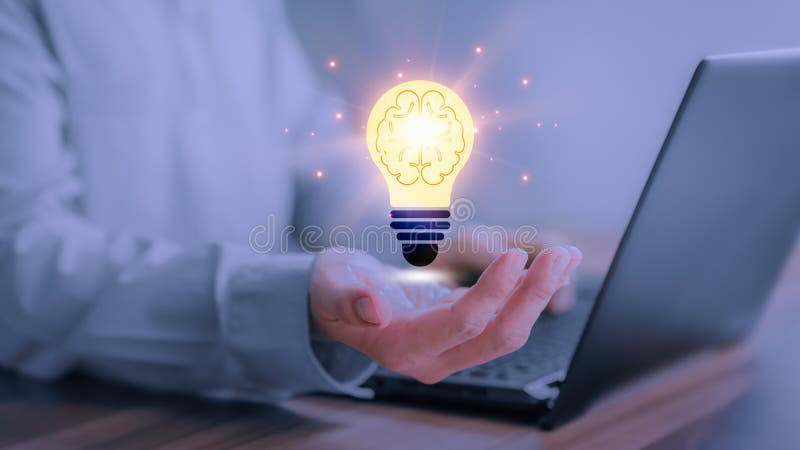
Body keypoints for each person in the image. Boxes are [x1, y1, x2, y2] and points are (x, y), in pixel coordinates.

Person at [0, 1, 581, 402]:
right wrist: (291, 303)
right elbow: (17, 256)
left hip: (251, 396)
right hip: (68, 408)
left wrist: (436, 251)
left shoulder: (243, 11)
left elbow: (316, 173)